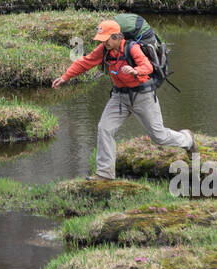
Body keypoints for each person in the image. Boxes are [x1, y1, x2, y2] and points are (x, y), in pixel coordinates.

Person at [52, 17, 197, 180]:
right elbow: (85, 62)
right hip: (119, 97)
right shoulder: (104, 50)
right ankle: (105, 173)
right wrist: (65, 77)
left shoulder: (132, 48)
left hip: (143, 96)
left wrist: (135, 71)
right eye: (102, 40)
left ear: (117, 37)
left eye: (106, 39)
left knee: (159, 136)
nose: (103, 43)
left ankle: (187, 139)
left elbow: (148, 67)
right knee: (104, 129)